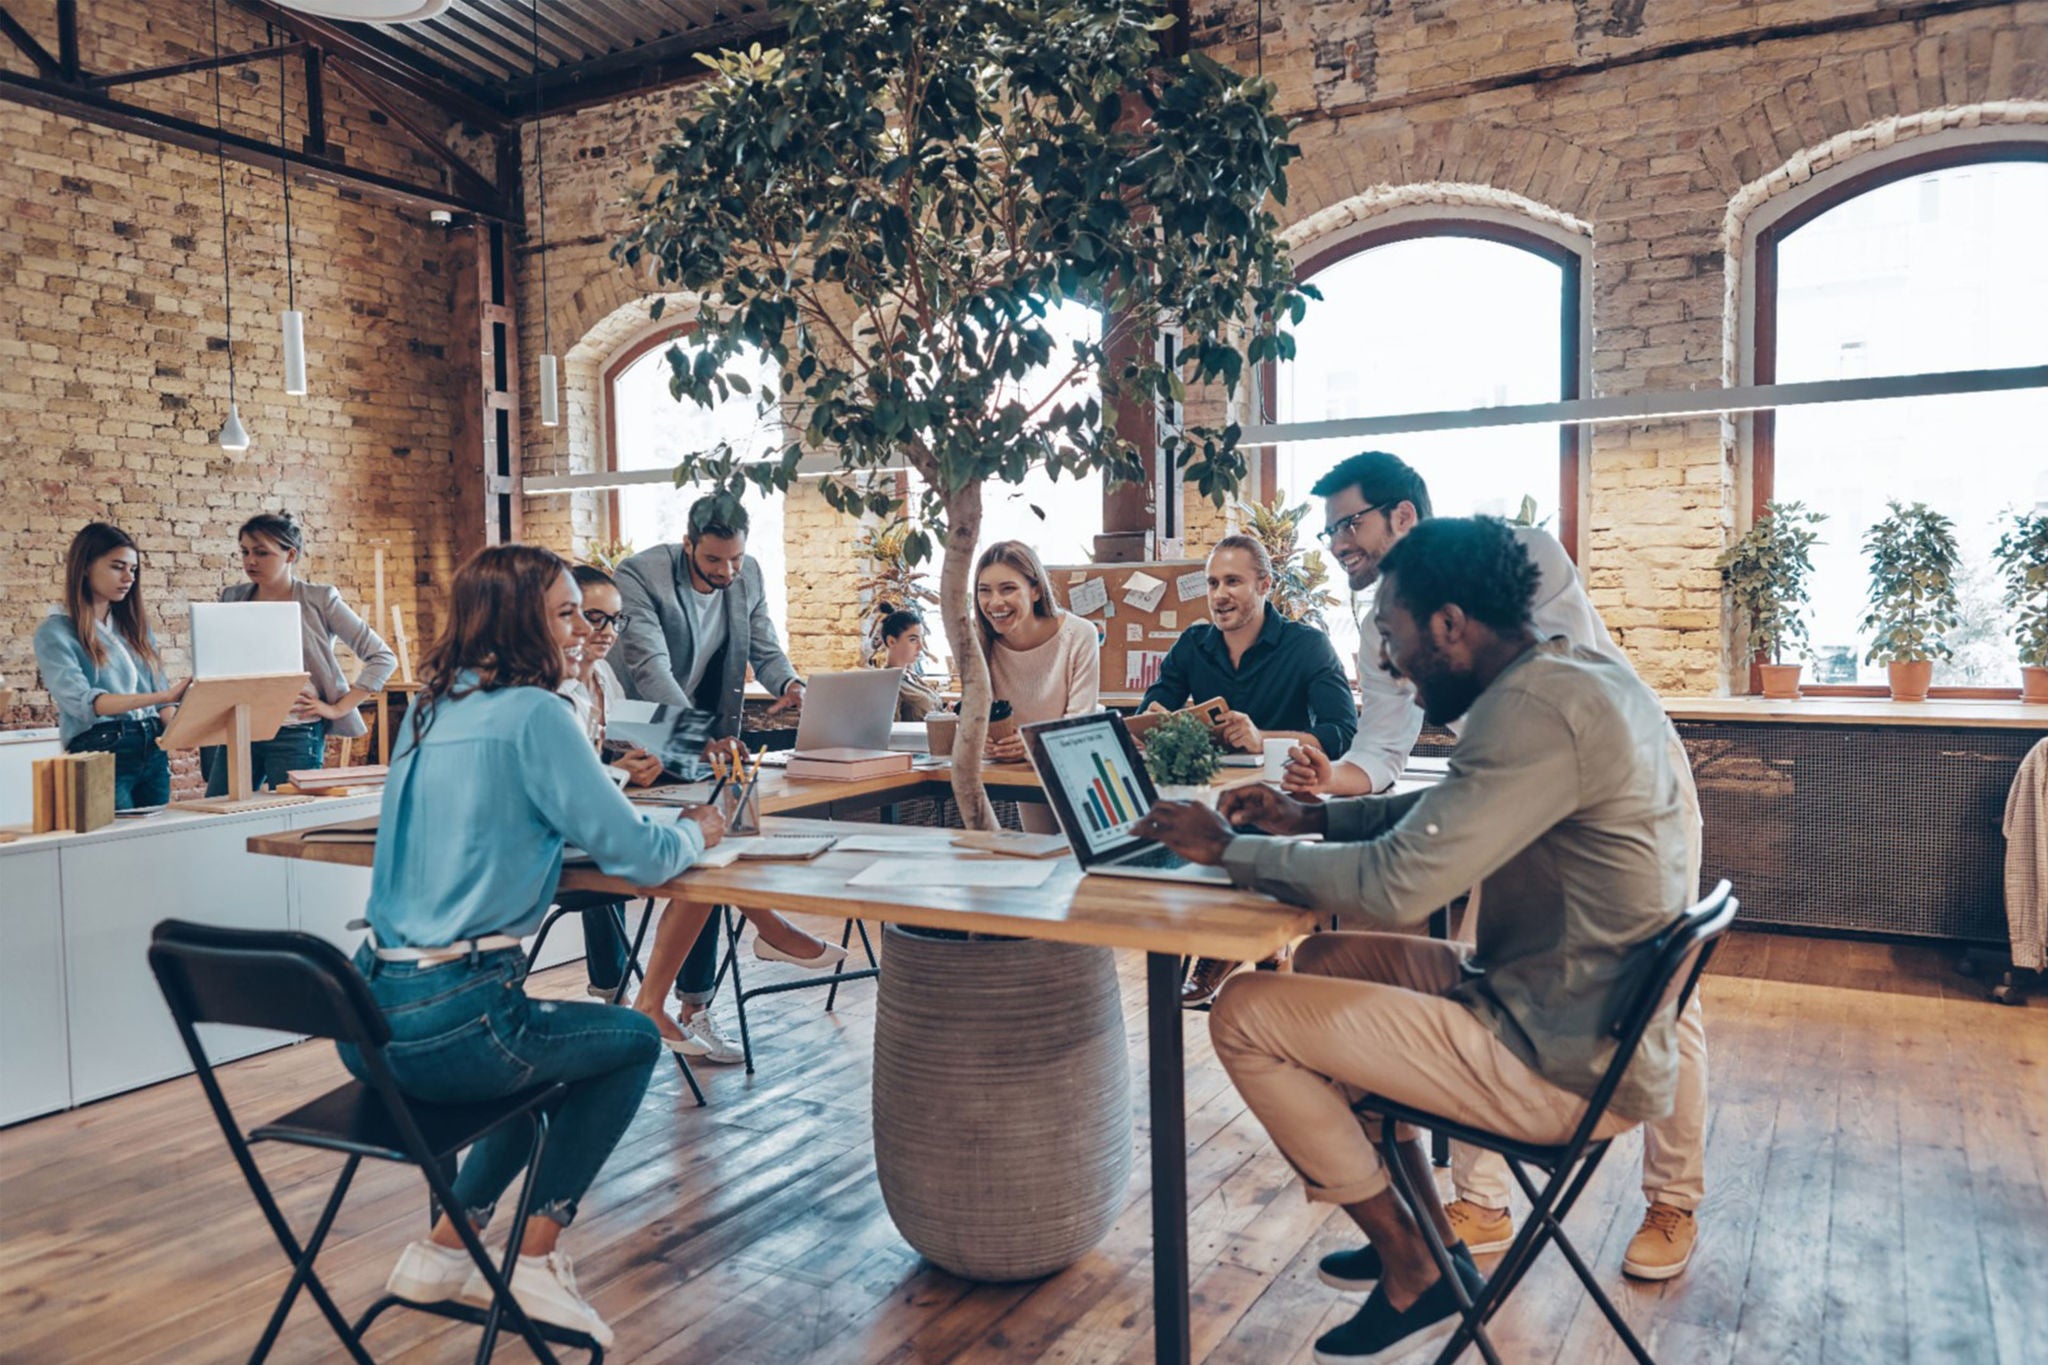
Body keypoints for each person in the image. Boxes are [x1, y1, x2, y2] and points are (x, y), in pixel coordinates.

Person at [1133, 517, 1697, 1363]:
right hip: (1576, 1006)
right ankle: (1440, 1246)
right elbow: (1450, 811)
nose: (1390, 667)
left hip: (1561, 1060)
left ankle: (1412, 1265)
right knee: (1325, 958)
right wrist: (1317, 817)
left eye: (1393, 641)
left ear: (1449, 625)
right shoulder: (1570, 676)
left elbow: (1401, 883)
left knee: (1245, 1007)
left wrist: (1232, 850)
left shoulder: (1533, 709)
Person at [1283, 450, 1710, 1282]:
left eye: (1348, 522)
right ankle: (1476, 1204)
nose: (1336, 542)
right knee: (1500, 974)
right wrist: (1329, 787)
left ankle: (1673, 1196)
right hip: (1502, 796)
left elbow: (1540, 692)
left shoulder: (1516, 559)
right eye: (1328, 527)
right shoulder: (1386, 620)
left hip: (1611, 790)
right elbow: (1383, 742)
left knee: (1651, 982)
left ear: (1402, 516)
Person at [339, 543, 724, 1347]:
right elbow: (638, 856)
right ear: (521, 623)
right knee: (625, 1039)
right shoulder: (538, 713)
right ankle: (535, 1257)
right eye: (564, 613)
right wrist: (699, 826)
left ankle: (447, 1246)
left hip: (369, 1018)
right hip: (458, 1024)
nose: (581, 627)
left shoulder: (430, 707)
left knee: (547, 1059)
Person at [568, 563, 843, 1038]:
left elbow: (643, 735)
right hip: (573, 846)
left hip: (601, 826)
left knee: (717, 828)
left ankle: (656, 1002)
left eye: (615, 620)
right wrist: (621, 772)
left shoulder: (603, 683)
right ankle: (769, 931)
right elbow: (567, 785)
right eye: (593, 617)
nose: (606, 632)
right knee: (708, 843)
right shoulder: (555, 691)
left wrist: (698, 747)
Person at [1140, 534, 1358, 1007]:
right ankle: (1265, 951)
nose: (1220, 594)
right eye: (1213, 582)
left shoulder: (1308, 646)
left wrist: (1266, 740)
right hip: (1214, 794)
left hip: (1287, 797)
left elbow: (1341, 730)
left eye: (1233, 581)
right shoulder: (1194, 645)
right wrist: (1158, 718)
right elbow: (1152, 707)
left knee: (1241, 829)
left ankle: (1220, 953)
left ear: (1265, 584)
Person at [200, 512, 396, 795]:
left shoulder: (320, 599)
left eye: (261, 553)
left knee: (290, 819)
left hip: (296, 730)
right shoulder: (232, 598)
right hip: (241, 726)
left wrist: (338, 708)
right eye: (244, 552)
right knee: (219, 814)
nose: (250, 561)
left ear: (290, 555)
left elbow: (382, 657)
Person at [33, 523, 190, 809]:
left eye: (133, 569)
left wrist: (182, 729)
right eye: (118, 567)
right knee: (111, 848)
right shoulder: (55, 632)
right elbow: (86, 703)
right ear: (84, 567)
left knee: (159, 844)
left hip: (152, 748)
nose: (128, 577)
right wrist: (164, 698)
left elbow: (160, 693)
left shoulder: (135, 627)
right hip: (99, 750)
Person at [976, 540, 1099, 833]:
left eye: (1008, 588)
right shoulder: (977, 640)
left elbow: (1080, 721)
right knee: (1040, 856)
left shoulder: (1079, 634)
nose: (995, 603)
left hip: (1082, 773)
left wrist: (1032, 742)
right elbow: (977, 715)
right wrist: (985, 739)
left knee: (1083, 864)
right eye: (984, 591)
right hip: (1024, 773)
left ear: (1035, 590)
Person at [878, 606, 947, 721]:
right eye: (913, 639)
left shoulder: (912, 677)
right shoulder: (886, 685)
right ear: (891, 641)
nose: (920, 647)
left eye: (920, 639)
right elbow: (891, 732)